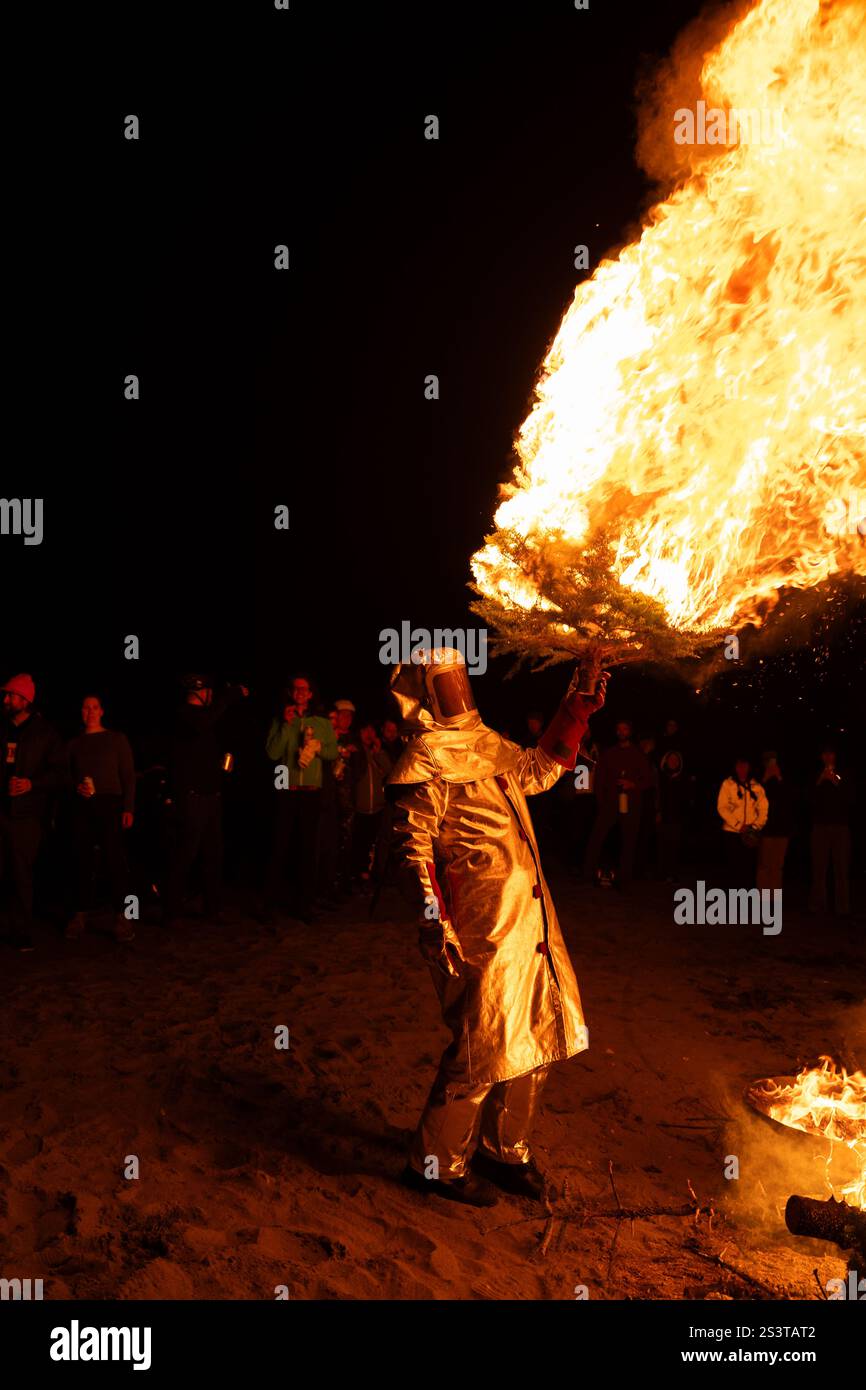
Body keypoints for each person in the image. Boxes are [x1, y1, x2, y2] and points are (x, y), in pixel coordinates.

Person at [388, 646, 607, 1208]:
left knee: (535, 1029)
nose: (458, 688)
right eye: (445, 680)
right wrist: (438, 924)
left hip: (529, 916)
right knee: (481, 1038)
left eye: (461, 676)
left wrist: (577, 707)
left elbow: (539, 768)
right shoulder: (426, 759)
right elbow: (412, 853)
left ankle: (504, 1149)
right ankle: (434, 1166)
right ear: (424, 693)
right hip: (478, 922)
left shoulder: (488, 743)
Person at [163, 674, 248, 927]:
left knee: (214, 854)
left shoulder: (207, 719)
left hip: (212, 795)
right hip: (191, 797)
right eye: (211, 692)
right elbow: (202, 724)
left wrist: (222, 766)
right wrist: (228, 698)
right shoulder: (184, 714)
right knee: (185, 854)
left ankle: (212, 908)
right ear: (203, 692)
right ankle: (172, 912)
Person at [263, 674, 337, 923]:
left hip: (311, 791)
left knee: (307, 850)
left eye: (304, 688)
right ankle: (270, 905)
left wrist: (317, 747)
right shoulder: (282, 718)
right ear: (290, 692)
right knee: (279, 847)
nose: (300, 692)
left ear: (311, 693)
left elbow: (332, 752)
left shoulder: (322, 721)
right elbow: (272, 753)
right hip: (286, 787)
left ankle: (304, 906)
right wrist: (285, 725)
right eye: (295, 688)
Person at [0, 674, 67, 950]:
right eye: (5, 695)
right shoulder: (2, 729)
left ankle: (21, 933)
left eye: (11, 695)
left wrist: (31, 783)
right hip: (1, 810)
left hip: (26, 816)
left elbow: (61, 775)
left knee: (20, 874)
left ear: (25, 700)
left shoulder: (45, 733)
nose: (5, 700)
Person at [65, 695, 136, 942]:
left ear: (102, 711)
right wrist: (76, 787)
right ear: (81, 713)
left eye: (94, 707)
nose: (90, 711)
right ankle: (80, 914)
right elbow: (66, 776)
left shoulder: (116, 739)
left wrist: (128, 807)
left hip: (111, 804)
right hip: (83, 806)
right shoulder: (74, 744)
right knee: (81, 860)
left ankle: (124, 916)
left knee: (115, 860)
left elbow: (128, 775)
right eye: (86, 707)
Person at [583, 719, 652, 889]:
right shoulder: (609, 754)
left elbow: (648, 780)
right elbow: (599, 779)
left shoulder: (638, 754)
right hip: (610, 804)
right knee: (597, 837)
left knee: (629, 841)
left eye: (625, 729)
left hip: (632, 805)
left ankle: (624, 879)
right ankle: (588, 873)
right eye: (619, 729)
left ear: (630, 731)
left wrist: (633, 784)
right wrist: (601, 802)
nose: (621, 732)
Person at [809, 746, 852, 916]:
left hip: (841, 828)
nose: (828, 756)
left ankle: (843, 907)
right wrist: (820, 779)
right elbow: (808, 798)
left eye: (831, 753)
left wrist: (835, 781)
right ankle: (818, 905)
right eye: (825, 753)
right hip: (820, 827)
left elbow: (850, 797)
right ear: (821, 756)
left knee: (841, 869)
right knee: (819, 868)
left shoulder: (844, 774)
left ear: (835, 755)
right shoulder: (814, 775)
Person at [352, 722, 393, 889]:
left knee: (373, 847)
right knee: (358, 845)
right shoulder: (355, 751)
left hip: (377, 808)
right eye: (365, 729)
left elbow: (390, 771)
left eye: (371, 729)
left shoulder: (375, 753)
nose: (369, 733)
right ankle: (356, 878)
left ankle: (369, 878)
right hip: (359, 808)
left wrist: (379, 752)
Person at [717, 756, 768, 888]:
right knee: (733, 867)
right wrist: (738, 826)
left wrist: (756, 826)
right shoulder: (727, 784)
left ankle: (747, 899)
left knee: (749, 868)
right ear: (735, 767)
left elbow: (763, 808)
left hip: (751, 834)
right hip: (732, 833)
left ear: (749, 767)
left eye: (745, 765)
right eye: (739, 765)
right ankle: (733, 900)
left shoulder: (756, 786)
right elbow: (722, 807)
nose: (742, 769)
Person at [756, 751, 795, 893]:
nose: (771, 764)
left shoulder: (785, 779)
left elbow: (790, 798)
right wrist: (765, 779)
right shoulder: (760, 780)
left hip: (782, 829)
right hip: (766, 829)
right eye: (768, 761)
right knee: (764, 865)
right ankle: (762, 897)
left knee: (777, 866)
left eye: (773, 761)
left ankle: (774, 897)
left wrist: (779, 777)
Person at [657, 748, 688, 881]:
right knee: (661, 845)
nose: (673, 761)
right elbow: (656, 796)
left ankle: (672, 874)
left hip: (677, 818)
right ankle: (661, 874)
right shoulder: (660, 777)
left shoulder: (683, 778)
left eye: (676, 760)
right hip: (662, 816)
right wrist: (657, 812)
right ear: (666, 761)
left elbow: (687, 799)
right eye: (671, 759)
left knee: (674, 846)